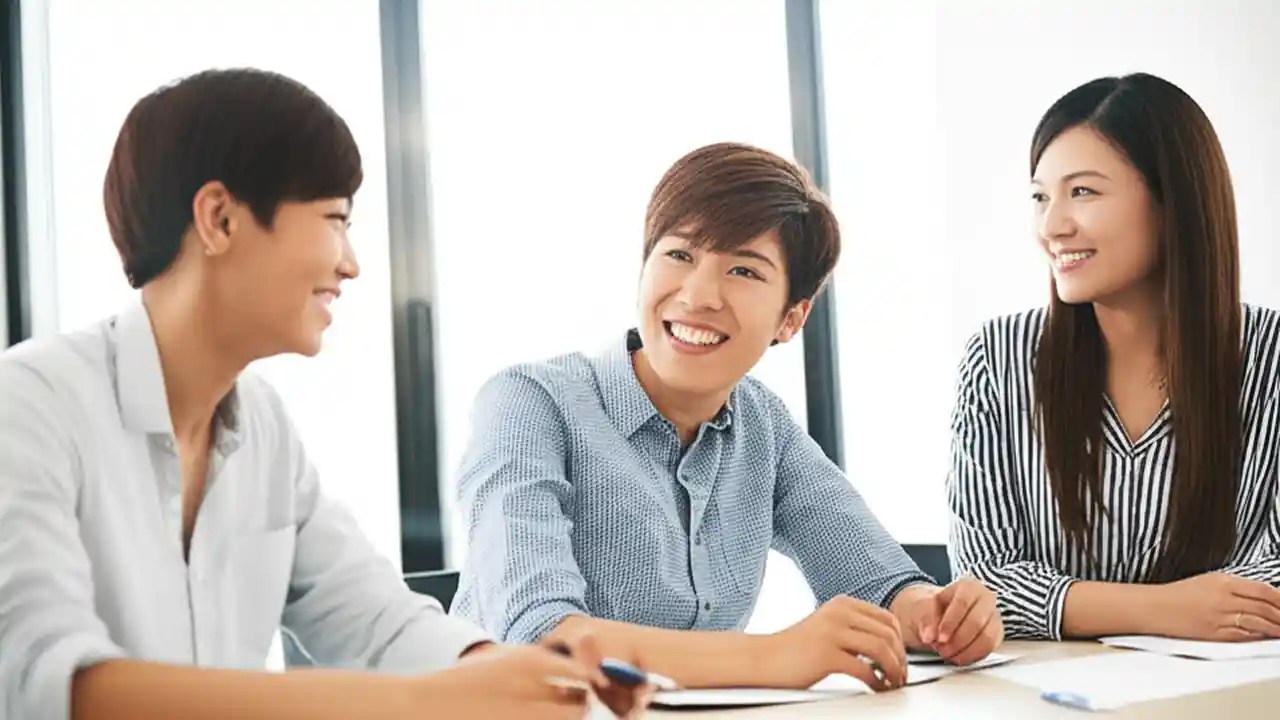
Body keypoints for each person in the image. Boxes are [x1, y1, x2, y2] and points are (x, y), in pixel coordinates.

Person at [0, 68, 643, 720]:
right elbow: (42, 681)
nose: (350, 263)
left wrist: (525, 675)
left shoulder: (263, 429)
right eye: (335, 219)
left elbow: (375, 620)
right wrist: (422, 701)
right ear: (220, 219)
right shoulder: (30, 405)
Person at [452, 142, 1004, 692]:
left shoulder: (763, 426)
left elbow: (877, 582)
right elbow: (544, 641)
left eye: (743, 269)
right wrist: (776, 656)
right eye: (679, 255)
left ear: (791, 318)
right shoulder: (528, 402)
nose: (698, 296)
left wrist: (938, 616)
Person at [948, 72, 1280, 642]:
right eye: (1040, 197)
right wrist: (1168, 610)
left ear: (1173, 201)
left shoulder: (1269, 357)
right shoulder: (998, 358)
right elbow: (982, 584)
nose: (1052, 225)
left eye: (1083, 192)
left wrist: (1068, 604)